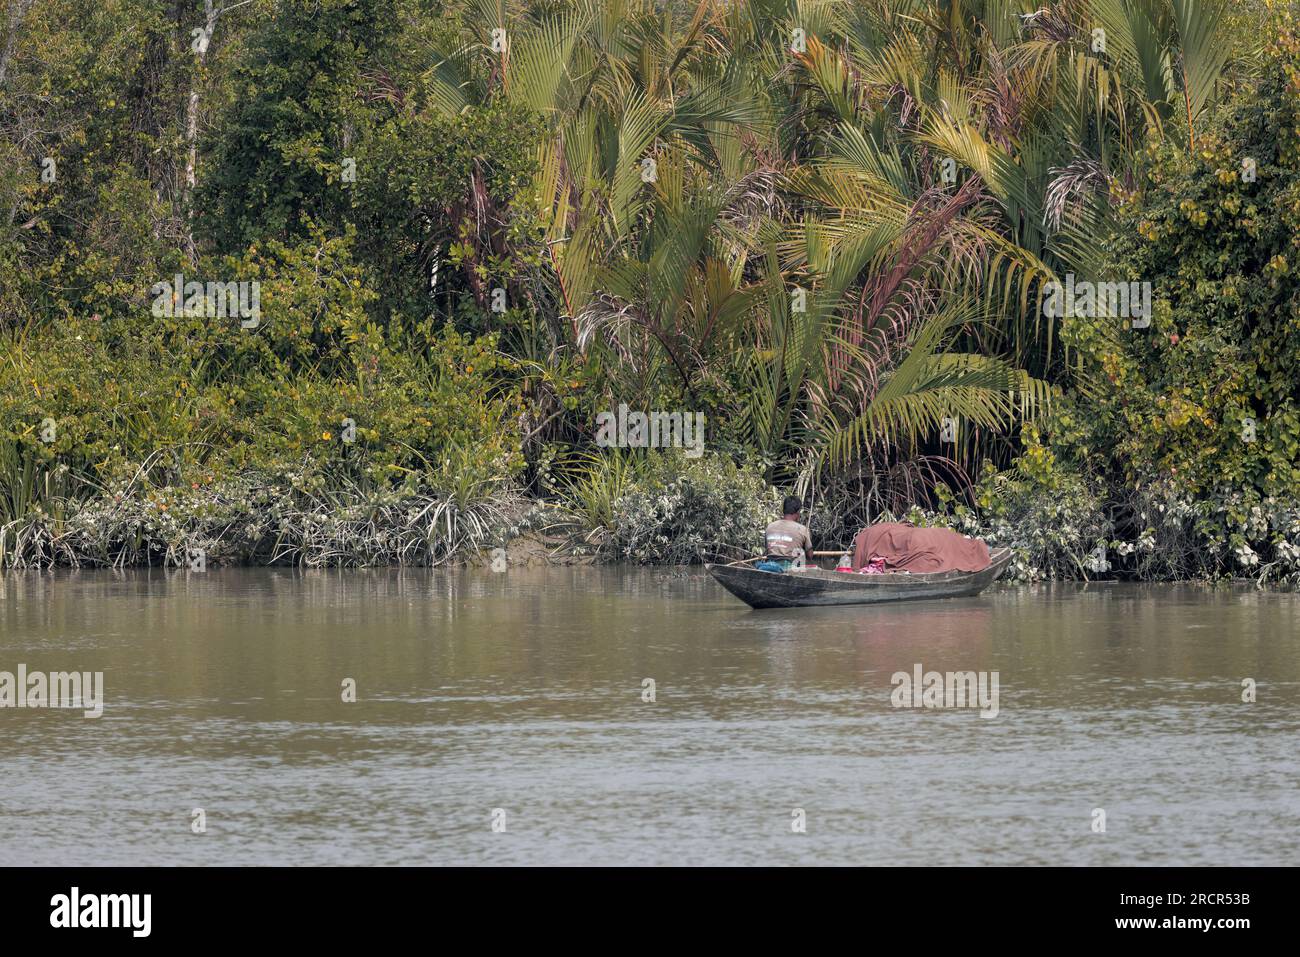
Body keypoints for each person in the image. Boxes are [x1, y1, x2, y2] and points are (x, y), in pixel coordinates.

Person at [764, 496, 814, 568]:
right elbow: (810, 555)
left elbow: (767, 551)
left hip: (769, 566)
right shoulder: (802, 530)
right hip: (791, 569)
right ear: (798, 512)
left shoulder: (770, 527)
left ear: (783, 510)